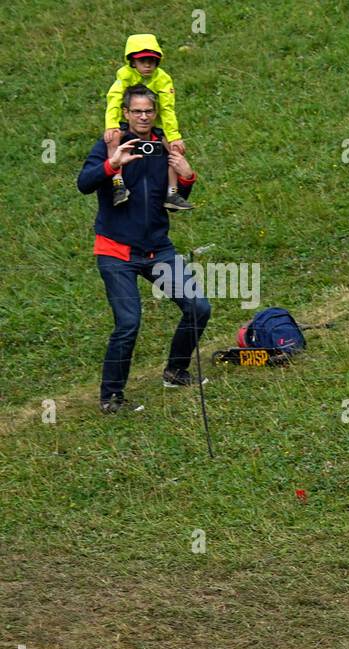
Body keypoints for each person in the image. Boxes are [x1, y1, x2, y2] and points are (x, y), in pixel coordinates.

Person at [77, 83, 211, 413]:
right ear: (125, 113)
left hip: (157, 249)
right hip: (116, 252)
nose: (142, 116)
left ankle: (175, 371)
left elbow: (169, 201)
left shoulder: (163, 145)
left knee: (198, 307)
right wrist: (112, 164)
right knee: (128, 323)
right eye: (136, 111)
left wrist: (187, 177)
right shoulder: (111, 143)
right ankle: (111, 398)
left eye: (148, 111)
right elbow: (84, 183)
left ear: (156, 113)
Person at [103, 34, 192, 211]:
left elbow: (167, 109)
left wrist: (174, 136)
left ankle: (172, 193)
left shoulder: (163, 79)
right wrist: (111, 125)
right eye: (142, 60)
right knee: (113, 139)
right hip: (125, 121)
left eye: (152, 60)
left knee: (175, 149)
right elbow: (114, 99)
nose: (148, 65)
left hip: (155, 123)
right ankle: (118, 184)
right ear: (132, 62)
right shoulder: (124, 74)